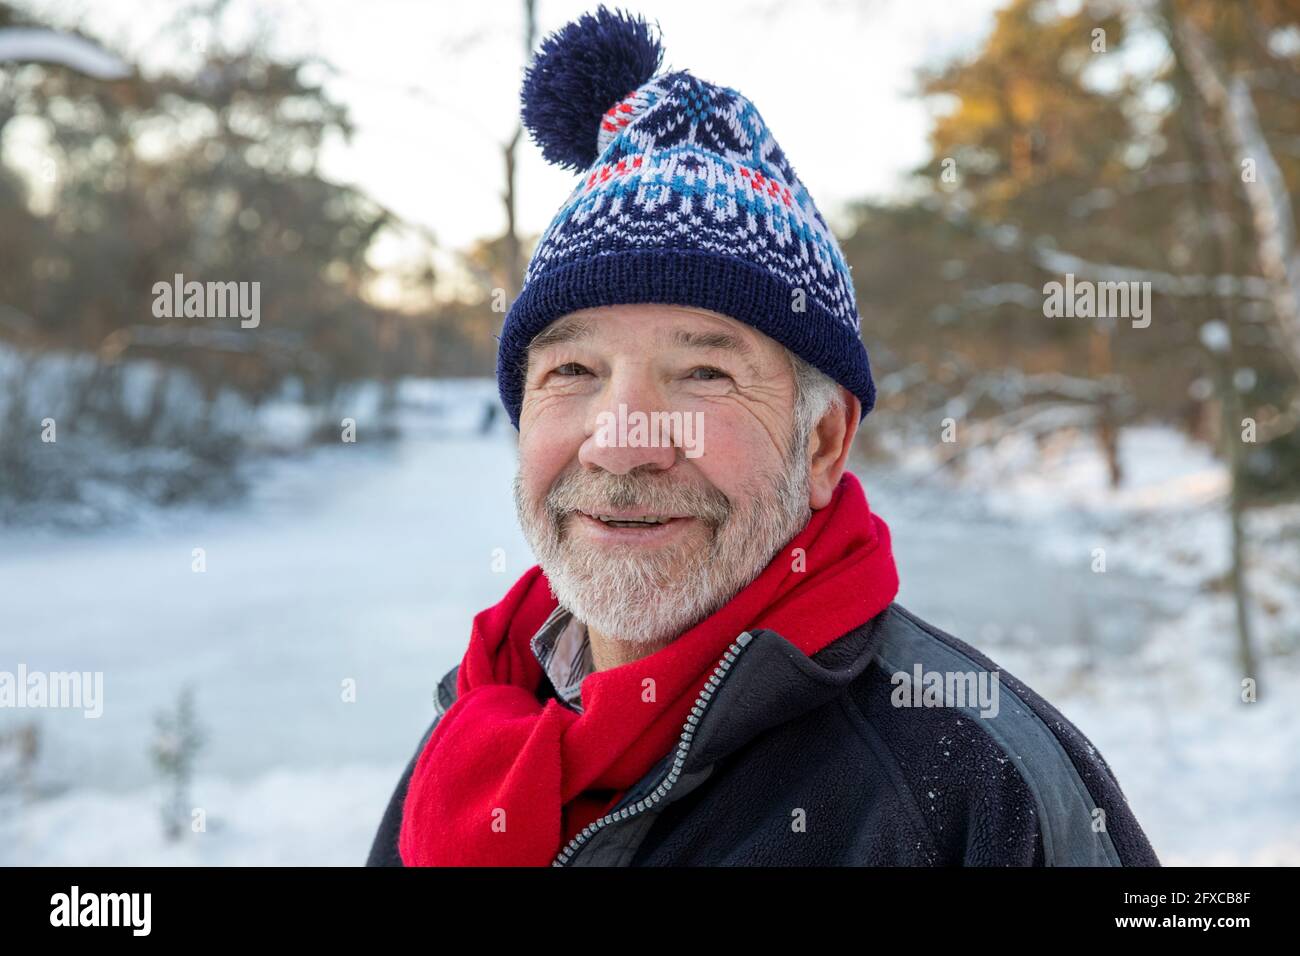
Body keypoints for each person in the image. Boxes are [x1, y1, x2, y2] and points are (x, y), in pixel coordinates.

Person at [367, 7, 1158, 867]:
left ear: (821, 442)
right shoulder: (479, 728)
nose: (623, 441)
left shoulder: (975, 796)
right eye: (573, 373)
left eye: (703, 374)